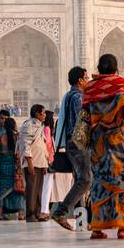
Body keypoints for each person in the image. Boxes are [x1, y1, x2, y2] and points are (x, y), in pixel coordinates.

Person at [82, 53, 124, 239]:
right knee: (121, 182)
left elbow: (85, 113)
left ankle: (97, 228)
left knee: (99, 182)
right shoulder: (120, 84)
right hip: (118, 141)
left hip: (98, 141)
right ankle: (123, 228)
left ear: (99, 67)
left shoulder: (89, 88)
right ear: (116, 68)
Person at [51, 66, 91, 230]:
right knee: (85, 180)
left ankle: (81, 222)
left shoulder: (69, 95)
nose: (88, 80)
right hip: (77, 143)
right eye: (86, 77)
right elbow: (80, 123)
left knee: (79, 179)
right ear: (80, 80)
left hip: (70, 143)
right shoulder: (77, 97)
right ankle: (60, 212)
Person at [17, 103, 50, 222]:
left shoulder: (40, 126)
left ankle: (37, 213)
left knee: (38, 190)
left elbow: (42, 145)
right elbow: (25, 145)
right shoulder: (28, 125)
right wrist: (29, 163)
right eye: (43, 113)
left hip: (40, 162)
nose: (45, 115)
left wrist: (46, 163)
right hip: (32, 162)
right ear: (37, 114)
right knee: (31, 189)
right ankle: (30, 214)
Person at [0, 118, 27, 219]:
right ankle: (21, 214)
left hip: (4, 165)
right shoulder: (17, 136)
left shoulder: (2, 137)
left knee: (2, 188)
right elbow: (21, 151)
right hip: (16, 165)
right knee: (18, 187)